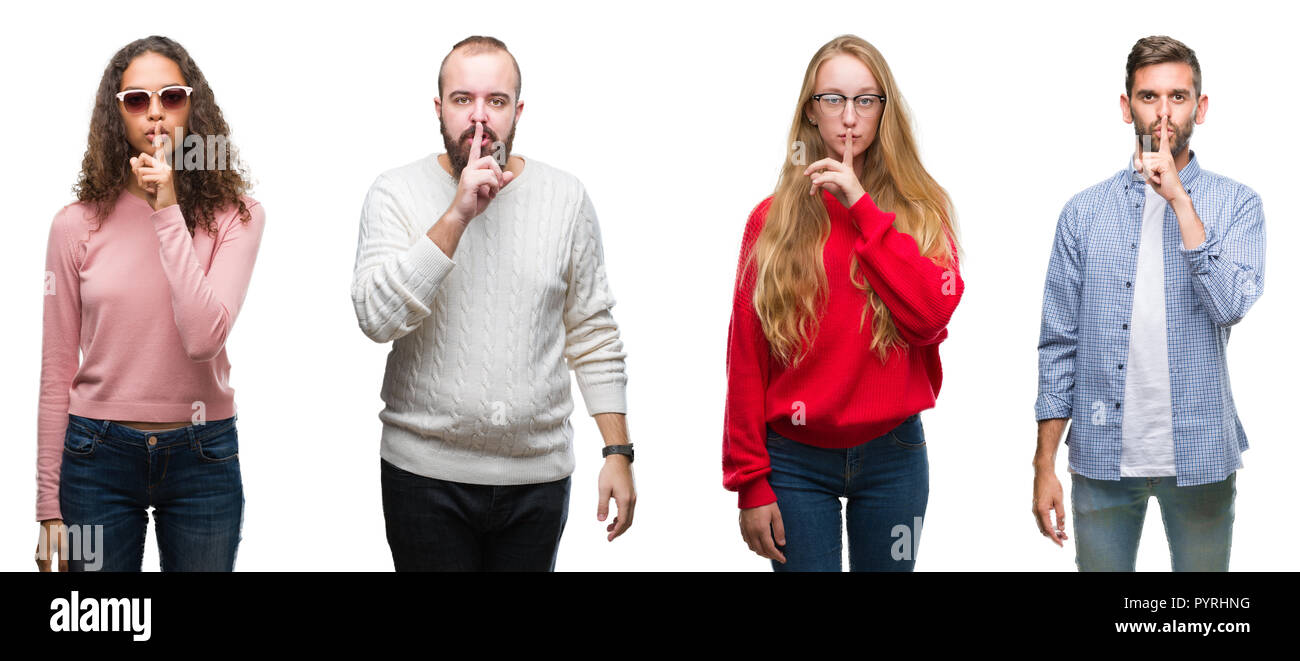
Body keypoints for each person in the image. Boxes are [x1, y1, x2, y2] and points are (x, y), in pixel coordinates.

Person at [351, 35, 636, 572]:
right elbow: (375, 318)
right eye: (462, 100)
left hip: (536, 479)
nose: (479, 118)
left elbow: (593, 331)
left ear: (517, 111)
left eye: (496, 102)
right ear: (439, 109)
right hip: (424, 476)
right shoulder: (395, 191)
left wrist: (617, 451)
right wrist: (457, 215)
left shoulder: (565, 197)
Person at [723, 35, 963, 572]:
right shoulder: (770, 220)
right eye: (832, 99)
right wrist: (749, 481)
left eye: (865, 100)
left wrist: (861, 206)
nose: (848, 117)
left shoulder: (923, 210)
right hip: (793, 459)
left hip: (893, 454)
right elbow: (746, 356)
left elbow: (929, 317)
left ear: (884, 111)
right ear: (810, 113)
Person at [1032, 36, 1264, 572]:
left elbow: (1231, 305)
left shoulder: (1237, 205)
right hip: (1100, 457)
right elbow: (1058, 343)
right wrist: (1044, 462)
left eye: (1178, 97)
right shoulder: (1083, 213)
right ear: (1125, 106)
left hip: (1203, 456)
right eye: (1148, 97)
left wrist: (1180, 200)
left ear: (1199, 108)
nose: (1163, 112)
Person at [35, 35, 263, 572]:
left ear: (194, 107)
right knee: (100, 621)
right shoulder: (75, 224)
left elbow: (203, 338)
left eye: (172, 96)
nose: (155, 113)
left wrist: (167, 210)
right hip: (95, 457)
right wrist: (48, 507)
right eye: (136, 100)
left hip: (203, 455)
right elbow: (56, 369)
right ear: (117, 115)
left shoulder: (238, 215)